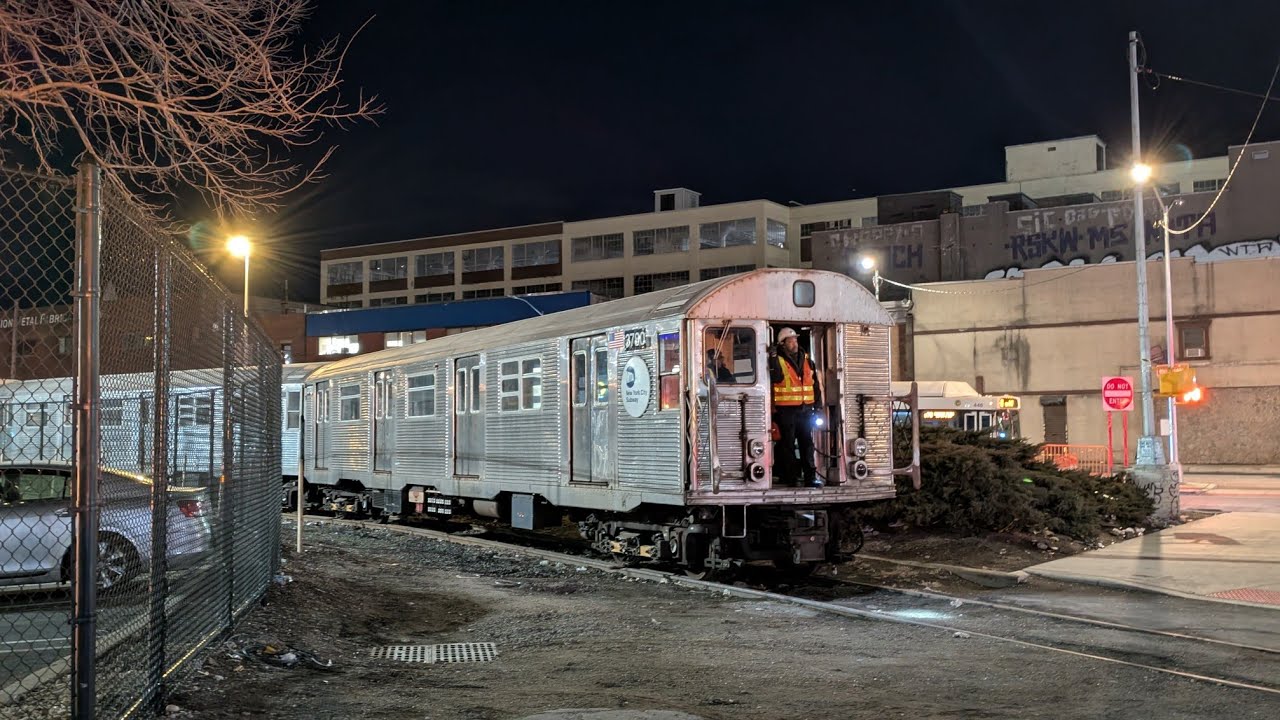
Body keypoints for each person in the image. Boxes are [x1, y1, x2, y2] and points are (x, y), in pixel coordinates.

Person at [769, 327, 821, 487]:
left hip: (805, 410)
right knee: (788, 445)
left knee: (807, 444)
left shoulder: (806, 360)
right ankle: (790, 478)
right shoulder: (778, 360)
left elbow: (815, 384)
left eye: (795, 340)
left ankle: (810, 478)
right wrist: (772, 358)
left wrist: (818, 406)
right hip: (786, 411)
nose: (794, 343)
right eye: (790, 341)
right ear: (783, 344)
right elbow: (776, 378)